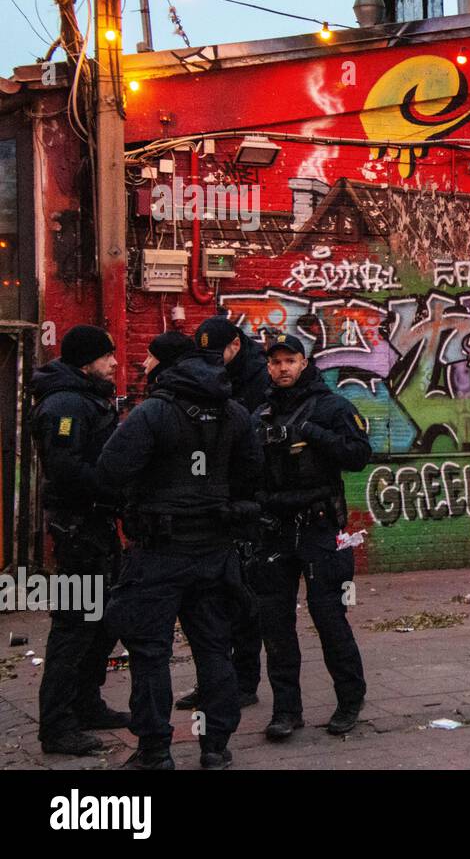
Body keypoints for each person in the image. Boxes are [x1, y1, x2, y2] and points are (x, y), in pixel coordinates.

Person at [99, 342, 262, 769]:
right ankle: (214, 745)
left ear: (170, 367)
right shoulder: (235, 414)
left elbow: (110, 470)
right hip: (214, 551)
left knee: (150, 653)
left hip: (158, 553)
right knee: (214, 648)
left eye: (151, 357)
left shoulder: (153, 413)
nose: (143, 363)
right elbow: (252, 476)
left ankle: (155, 750)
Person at [251, 333, 371, 740]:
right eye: (275, 362)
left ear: (304, 363)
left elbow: (358, 455)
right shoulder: (262, 412)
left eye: (290, 360)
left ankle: (350, 700)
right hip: (275, 532)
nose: (282, 368)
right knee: (276, 625)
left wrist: (314, 434)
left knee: (329, 617)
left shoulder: (331, 406)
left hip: (320, 529)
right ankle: (286, 711)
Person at [31, 325, 129, 757]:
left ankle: (87, 703)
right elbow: (67, 468)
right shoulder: (66, 404)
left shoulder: (85, 397)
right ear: (86, 362)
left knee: (105, 620)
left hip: (97, 527)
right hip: (79, 531)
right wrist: (115, 489)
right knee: (74, 627)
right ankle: (57, 726)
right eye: (106, 357)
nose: (114, 363)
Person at [175, 315, 269, 712]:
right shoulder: (214, 381)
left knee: (243, 601)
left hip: (245, 504)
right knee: (212, 609)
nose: (213, 361)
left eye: (219, 353)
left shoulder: (258, 381)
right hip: (216, 502)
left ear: (235, 346)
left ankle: (243, 683)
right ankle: (216, 681)